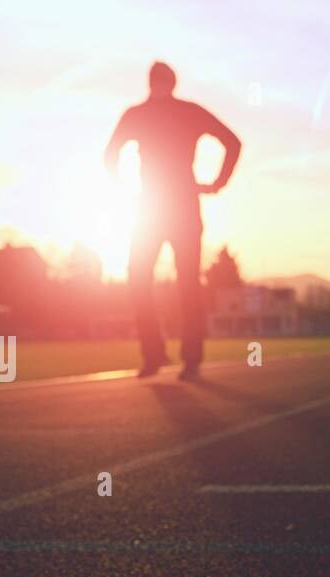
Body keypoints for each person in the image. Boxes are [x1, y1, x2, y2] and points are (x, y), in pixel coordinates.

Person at [105, 61, 242, 379]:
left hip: (168, 207)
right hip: (159, 207)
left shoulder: (165, 113)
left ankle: (182, 358)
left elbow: (233, 142)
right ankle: (159, 355)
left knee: (181, 282)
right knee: (148, 277)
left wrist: (217, 183)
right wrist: (215, 183)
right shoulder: (146, 114)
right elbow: (110, 154)